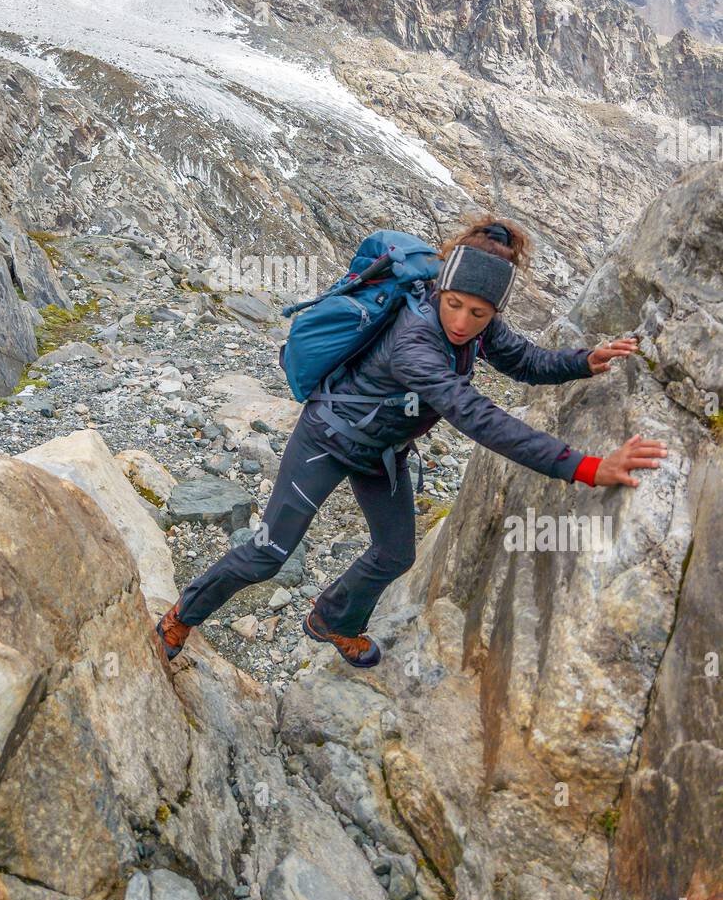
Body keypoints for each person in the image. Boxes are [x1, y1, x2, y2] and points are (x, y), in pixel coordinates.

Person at [155, 217, 668, 669]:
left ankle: (332, 620)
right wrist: (584, 467)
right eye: (454, 305)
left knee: (396, 554)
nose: (463, 323)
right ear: (441, 289)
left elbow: (527, 362)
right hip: (328, 438)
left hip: (382, 451)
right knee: (269, 553)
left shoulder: (478, 325)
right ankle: (183, 614)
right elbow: (477, 416)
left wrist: (585, 361)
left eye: (479, 314)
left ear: (493, 311)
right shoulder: (414, 342)